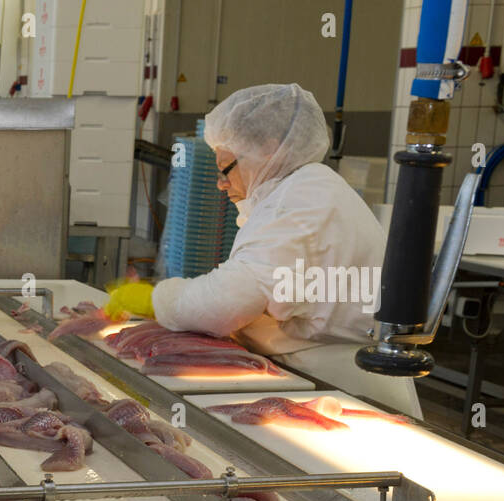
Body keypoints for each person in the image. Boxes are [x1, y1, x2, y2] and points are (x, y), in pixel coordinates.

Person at [104, 83, 419, 416]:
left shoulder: (299, 204)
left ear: (268, 150)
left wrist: (157, 299)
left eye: (226, 168)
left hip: (346, 391)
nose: (220, 183)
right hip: (319, 379)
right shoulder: (306, 190)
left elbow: (226, 303)